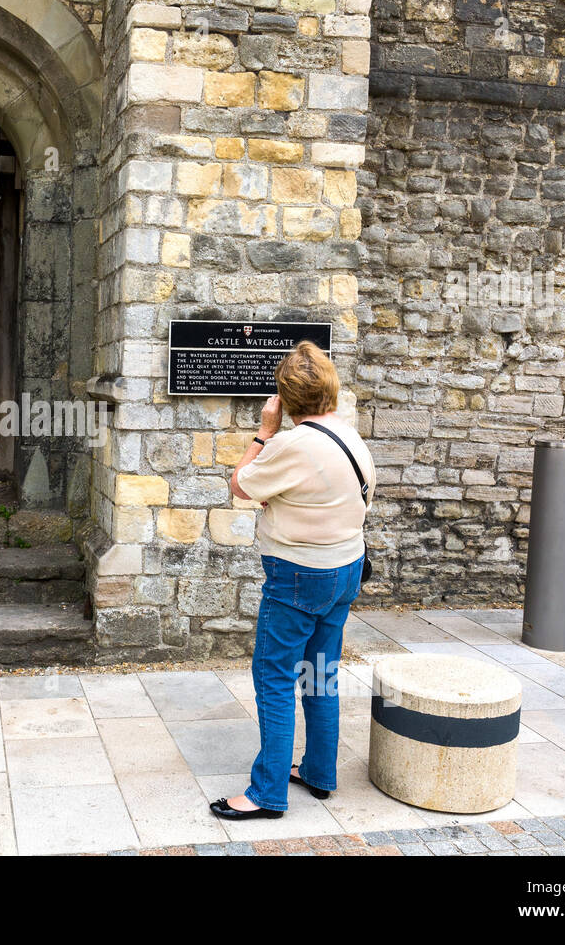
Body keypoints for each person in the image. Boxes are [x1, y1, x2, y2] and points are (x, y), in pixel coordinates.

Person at [208, 340, 375, 820]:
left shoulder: (290, 443)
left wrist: (264, 432)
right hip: (345, 569)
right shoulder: (350, 437)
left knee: (275, 677)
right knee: (319, 673)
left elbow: (240, 484)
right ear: (330, 389)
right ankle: (320, 772)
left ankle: (266, 793)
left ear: (285, 397)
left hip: (299, 575)